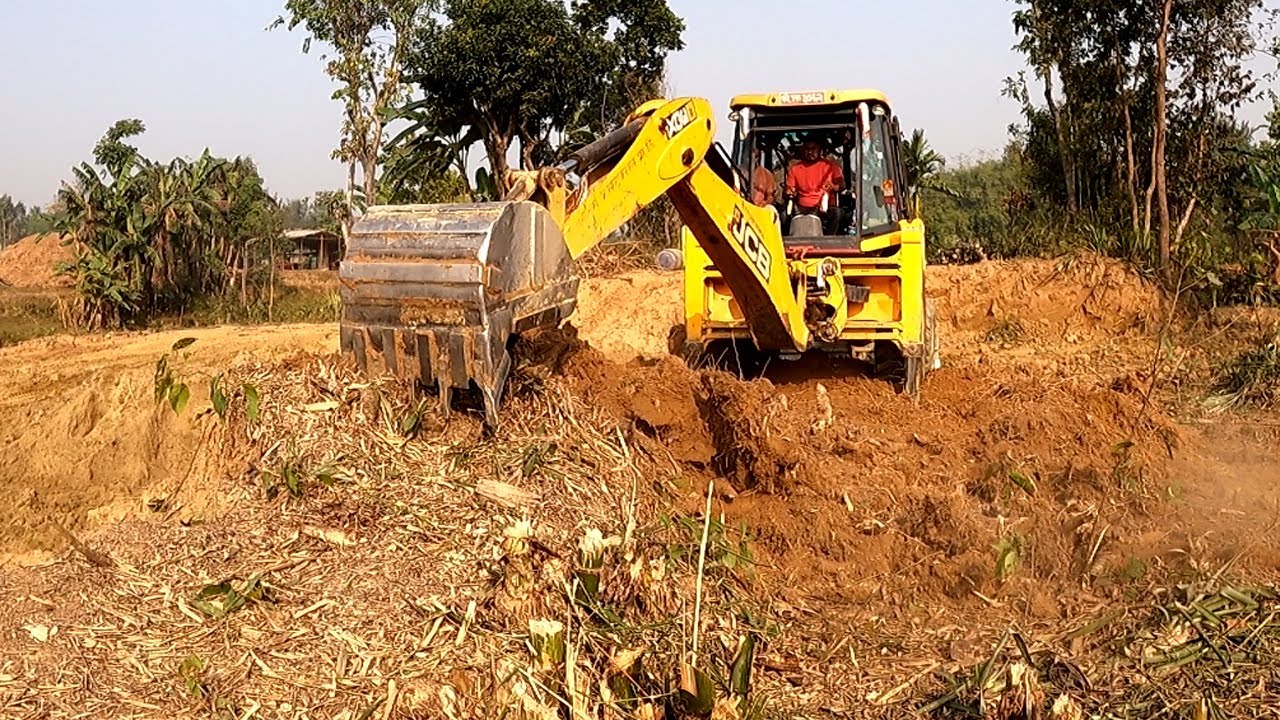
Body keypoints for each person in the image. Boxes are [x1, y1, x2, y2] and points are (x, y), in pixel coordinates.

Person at [785, 139, 844, 217]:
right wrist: (790, 192)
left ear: (820, 150)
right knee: (783, 215)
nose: (810, 152)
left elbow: (841, 185)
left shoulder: (831, 167)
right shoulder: (795, 169)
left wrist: (833, 187)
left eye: (813, 149)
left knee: (837, 214)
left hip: (824, 208)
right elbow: (789, 189)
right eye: (807, 149)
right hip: (800, 209)